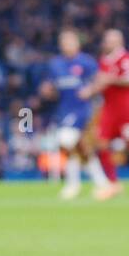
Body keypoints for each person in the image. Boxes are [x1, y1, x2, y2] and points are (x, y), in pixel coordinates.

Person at [81, 29, 129, 200]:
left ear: (119, 42)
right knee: (101, 143)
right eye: (106, 40)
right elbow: (102, 83)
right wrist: (91, 90)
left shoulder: (125, 59)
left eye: (111, 40)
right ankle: (113, 183)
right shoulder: (104, 60)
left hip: (127, 109)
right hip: (109, 109)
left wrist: (111, 79)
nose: (107, 43)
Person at [39, 29, 104, 199]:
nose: (66, 45)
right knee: (76, 146)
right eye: (63, 42)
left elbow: (100, 80)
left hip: (82, 109)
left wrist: (90, 90)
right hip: (63, 110)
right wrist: (47, 91)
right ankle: (100, 182)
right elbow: (51, 87)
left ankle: (73, 184)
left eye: (70, 41)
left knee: (66, 140)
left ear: (77, 43)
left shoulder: (86, 62)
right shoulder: (55, 64)